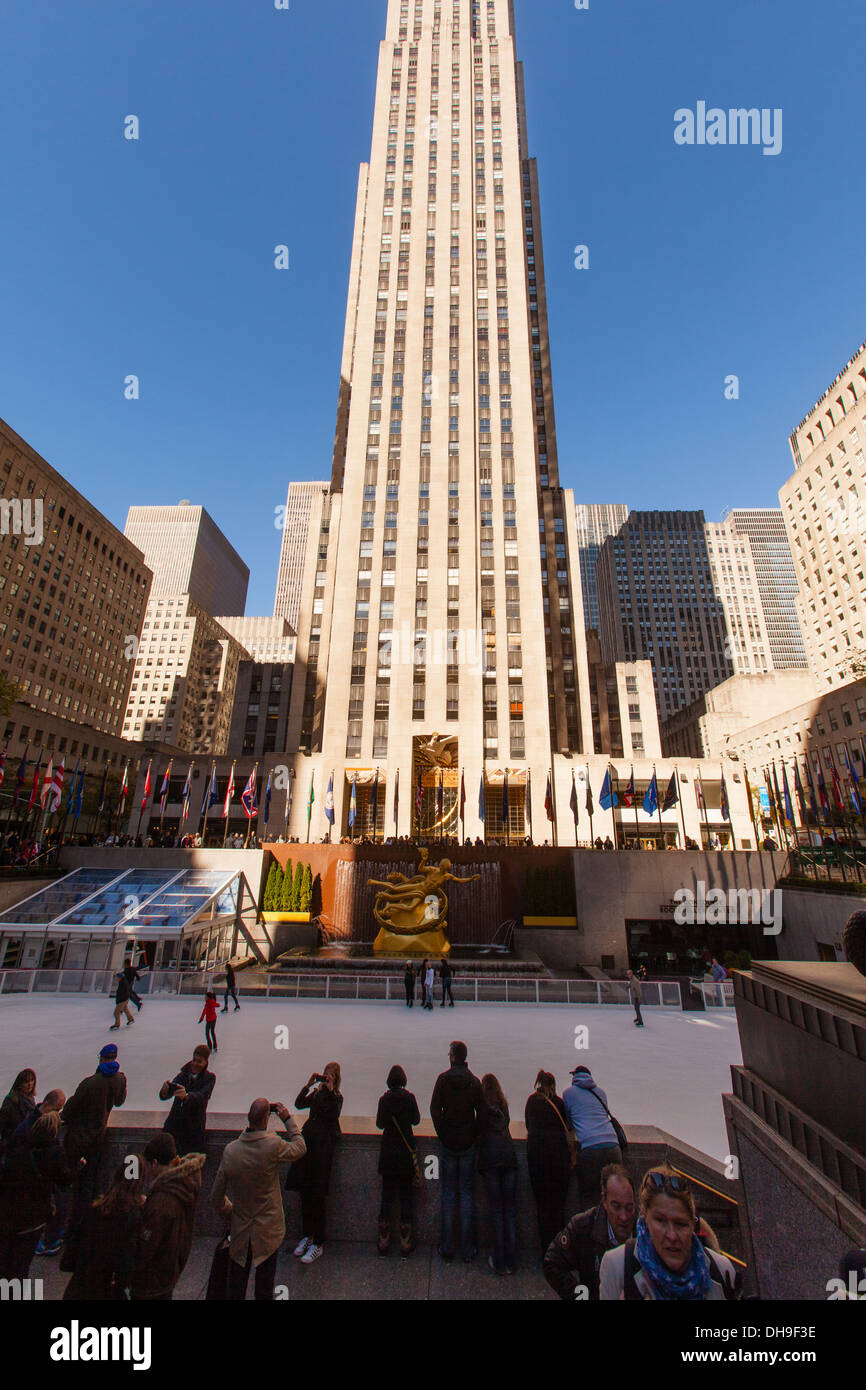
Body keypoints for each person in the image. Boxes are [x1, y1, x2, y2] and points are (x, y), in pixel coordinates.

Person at [211, 1097, 305, 1300]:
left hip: (241, 1229)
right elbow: (300, 1147)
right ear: (266, 1119)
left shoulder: (231, 1150)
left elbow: (216, 1196)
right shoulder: (272, 1145)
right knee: (264, 1286)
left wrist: (231, 1211)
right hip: (268, 1230)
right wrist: (287, 1119)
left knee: (236, 1286)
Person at [599, 1166, 739, 1300]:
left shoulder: (722, 1269)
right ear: (645, 1218)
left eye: (680, 1224)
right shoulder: (617, 1266)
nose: (672, 1236)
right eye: (660, 1221)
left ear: (692, 1224)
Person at [0, 1111, 77, 1279]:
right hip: (33, 1218)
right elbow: (64, 1180)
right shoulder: (55, 1154)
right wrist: (79, 1166)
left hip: (9, 1217)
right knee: (21, 1265)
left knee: (7, 1263)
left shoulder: (18, 1151)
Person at [543, 1164, 636, 1300]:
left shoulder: (646, 1229)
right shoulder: (583, 1227)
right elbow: (552, 1263)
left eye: (629, 1208)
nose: (624, 1217)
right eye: (616, 1207)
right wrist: (582, 1296)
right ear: (604, 1200)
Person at [62, 1044, 128, 1233]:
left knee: (72, 1184)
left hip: (79, 1140)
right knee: (91, 1182)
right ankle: (87, 1224)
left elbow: (69, 1110)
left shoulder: (90, 1082)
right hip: (99, 1138)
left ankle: (71, 1225)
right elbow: (119, 1101)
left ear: (101, 1058)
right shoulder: (120, 1079)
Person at [131, 1133, 204, 1301]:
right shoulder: (183, 1184)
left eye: (148, 1166)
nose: (147, 1172)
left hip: (151, 1282)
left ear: (155, 1163)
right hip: (169, 1271)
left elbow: (145, 1248)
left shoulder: (161, 1203)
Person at [62, 1159, 147, 1300]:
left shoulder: (95, 1209)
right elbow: (126, 1263)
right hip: (107, 1288)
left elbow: (73, 1251)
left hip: (81, 1286)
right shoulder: (133, 1217)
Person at [430, 1041, 484, 1263]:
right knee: (467, 1195)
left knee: (449, 1194)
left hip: (449, 1144)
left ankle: (447, 1247)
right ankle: (468, 1249)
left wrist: (443, 1133)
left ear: (453, 1057)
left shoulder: (443, 1080)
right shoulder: (474, 1082)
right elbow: (481, 1114)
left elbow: (434, 1109)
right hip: (467, 1145)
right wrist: (473, 1135)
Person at [290, 1062, 343, 1265]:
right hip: (309, 1147)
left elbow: (333, 1115)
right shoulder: (316, 1094)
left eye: (331, 1076)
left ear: (336, 1079)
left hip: (322, 1151)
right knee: (306, 1193)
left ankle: (318, 1242)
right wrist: (308, 1085)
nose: (326, 1078)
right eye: (325, 1075)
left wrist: (330, 1092)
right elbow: (299, 1104)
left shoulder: (337, 1097)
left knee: (318, 1196)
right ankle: (308, 1236)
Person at [524, 1070, 573, 1256]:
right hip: (559, 1160)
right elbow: (567, 1126)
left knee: (542, 1208)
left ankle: (546, 1253)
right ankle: (560, 1252)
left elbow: (529, 1126)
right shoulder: (559, 1103)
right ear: (553, 1086)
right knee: (559, 1208)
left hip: (537, 1159)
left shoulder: (531, 1102)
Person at [375, 1065, 421, 1257]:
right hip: (404, 1154)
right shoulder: (409, 1098)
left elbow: (379, 1124)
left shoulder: (384, 1100)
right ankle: (405, 1241)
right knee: (405, 1197)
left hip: (388, 1153)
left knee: (386, 1196)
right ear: (403, 1080)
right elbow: (416, 1120)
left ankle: (384, 1240)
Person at [562, 1066, 622, 1209]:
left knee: (588, 1197)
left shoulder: (568, 1094)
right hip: (613, 1146)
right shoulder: (601, 1093)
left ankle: (590, 1230)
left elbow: (568, 1123)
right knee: (613, 1197)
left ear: (574, 1077)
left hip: (590, 1149)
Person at [478, 1074, 517, 1275]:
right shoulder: (504, 1107)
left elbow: (479, 1133)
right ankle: (512, 1260)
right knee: (509, 1211)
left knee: (496, 1211)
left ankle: (499, 1261)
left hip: (492, 1162)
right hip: (509, 1159)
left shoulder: (482, 1109)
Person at [159, 1045, 216, 1155]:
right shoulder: (183, 1074)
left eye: (199, 1061)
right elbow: (169, 1093)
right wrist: (164, 1092)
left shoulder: (209, 1078)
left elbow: (202, 1096)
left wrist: (187, 1097)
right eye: (194, 1060)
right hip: (175, 1126)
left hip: (194, 1130)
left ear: (206, 1062)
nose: (195, 1064)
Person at [0, 1068, 37, 1153]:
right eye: (26, 1082)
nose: (30, 1084)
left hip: (26, 1143)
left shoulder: (31, 1101)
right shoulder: (10, 1101)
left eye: (32, 1080)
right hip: (13, 1145)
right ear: (19, 1084)